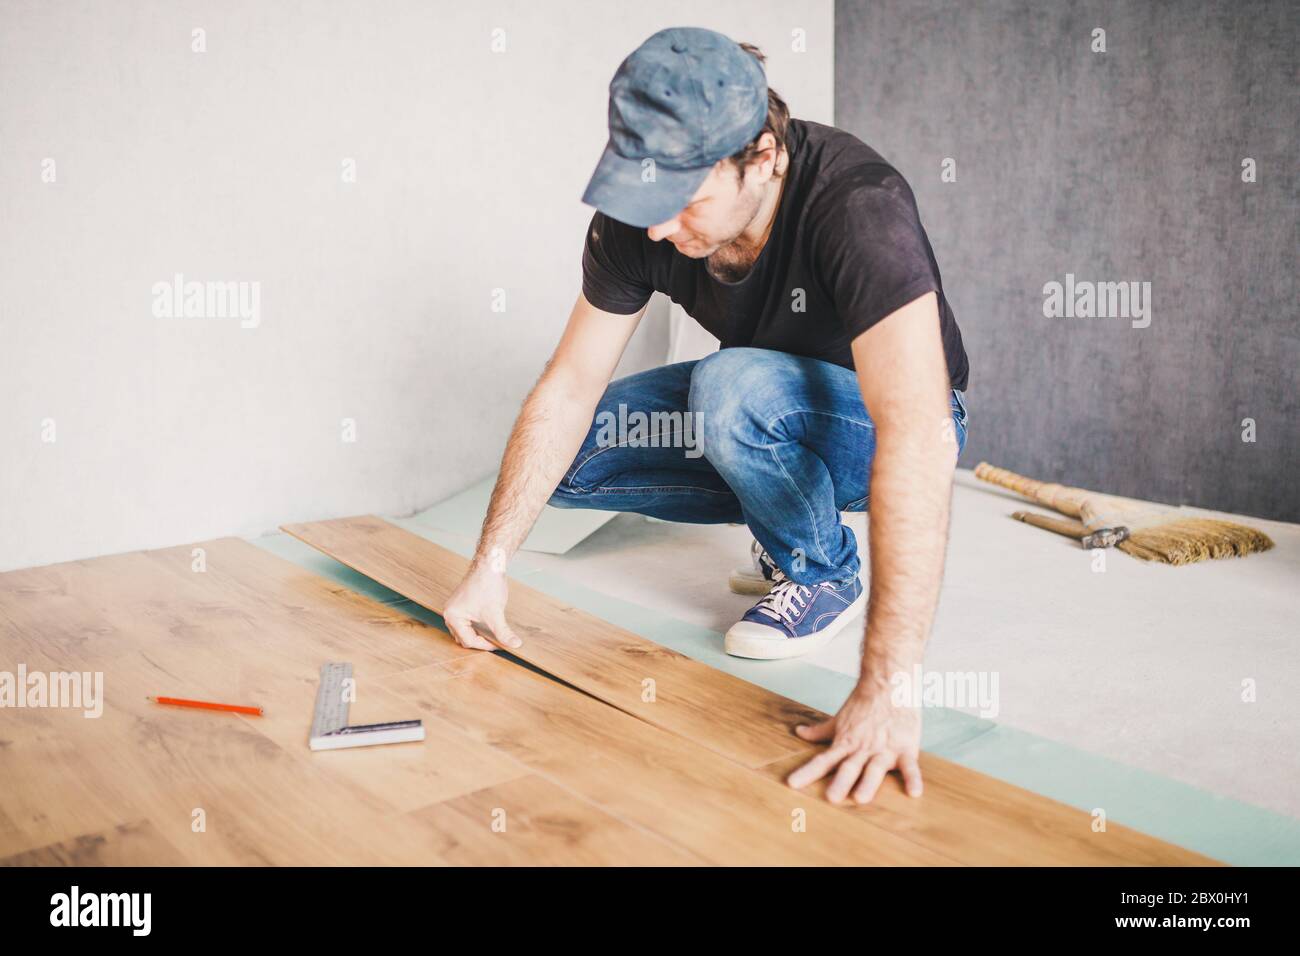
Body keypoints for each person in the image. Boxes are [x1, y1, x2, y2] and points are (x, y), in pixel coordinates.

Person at [444, 27, 970, 804]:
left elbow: (920, 434)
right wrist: (489, 569)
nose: (657, 230)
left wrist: (888, 684)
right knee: (581, 452)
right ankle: (781, 511)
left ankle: (819, 569)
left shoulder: (859, 206)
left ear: (762, 156)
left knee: (730, 392)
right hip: (762, 400)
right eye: (644, 201)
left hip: (890, 421)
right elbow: (567, 388)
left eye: (683, 203)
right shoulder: (643, 217)